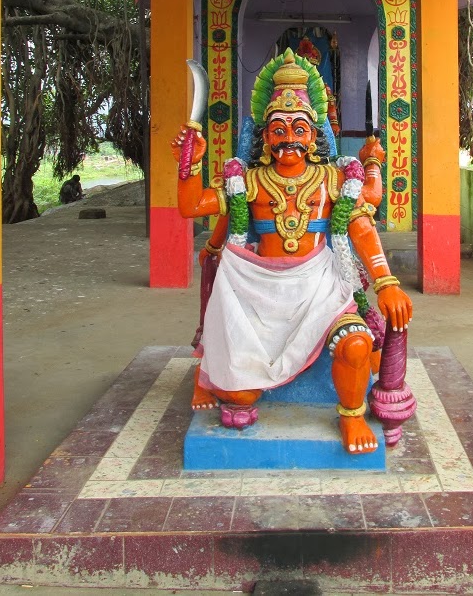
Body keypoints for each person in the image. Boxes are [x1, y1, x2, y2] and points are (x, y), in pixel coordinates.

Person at [172, 49, 412, 454]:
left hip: (320, 288)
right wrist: (189, 166)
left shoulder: (332, 179)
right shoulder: (247, 181)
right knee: (241, 400)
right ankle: (220, 376)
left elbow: (361, 225)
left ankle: (351, 417)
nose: (289, 140)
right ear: (264, 136)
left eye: (299, 130)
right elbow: (191, 207)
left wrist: (386, 283)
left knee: (355, 345)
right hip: (254, 292)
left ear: (314, 135)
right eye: (278, 130)